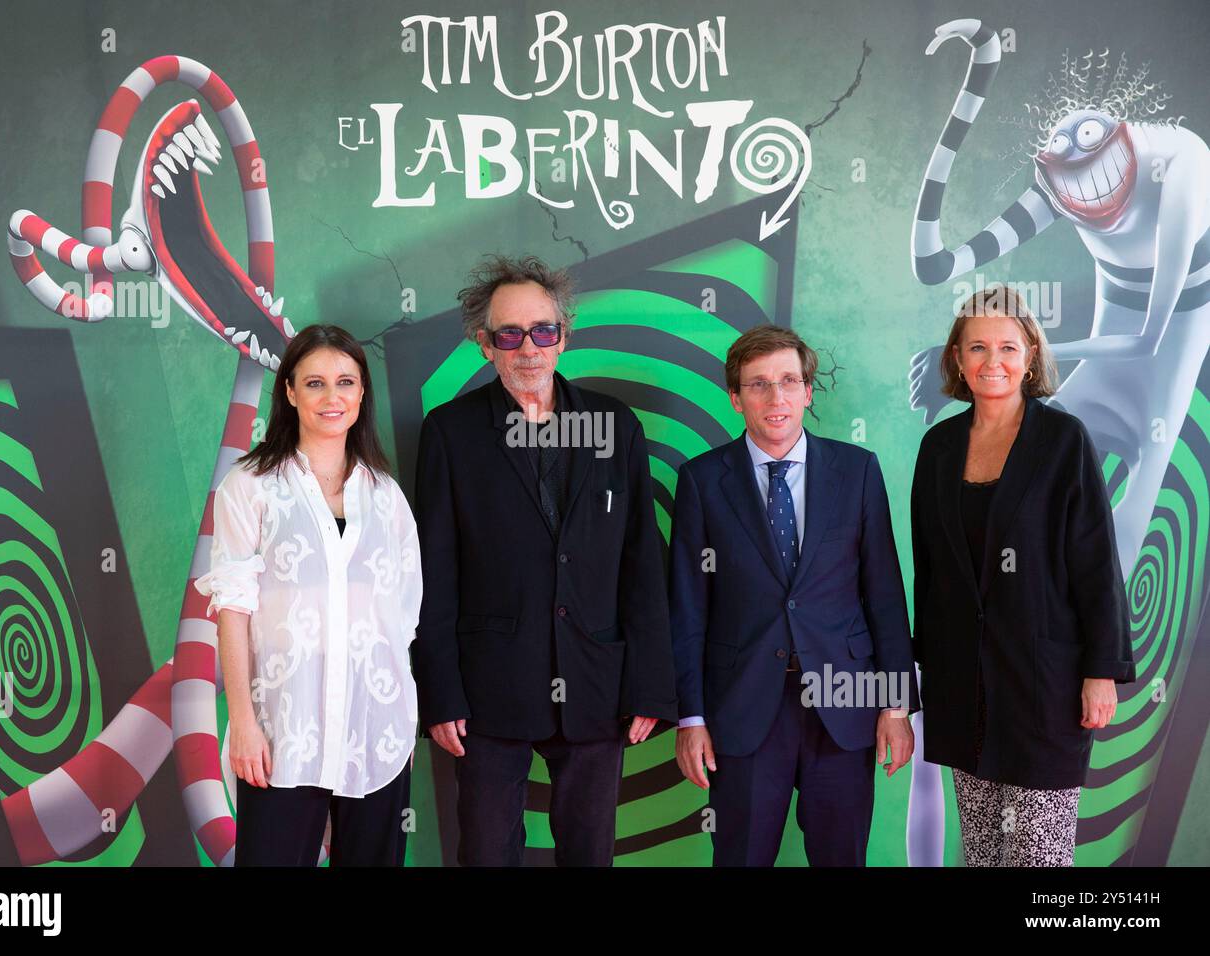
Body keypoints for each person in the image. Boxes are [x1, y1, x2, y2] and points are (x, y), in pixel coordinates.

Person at [412, 254, 677, 866]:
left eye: (542, 330)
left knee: (589, 854)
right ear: (485, 345)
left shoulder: (616, 424)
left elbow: (643, 564)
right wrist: (442, 693)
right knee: (485, 851)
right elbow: (434, 573)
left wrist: (651, 686)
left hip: (596, 685)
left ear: (564, 336)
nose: (527, 347)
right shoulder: (450, 433)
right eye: (509, 333)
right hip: (487, 692)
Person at [669, 324, 918, 867]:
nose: (775, 398)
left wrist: (897, 707)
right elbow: (687, 610)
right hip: (744, 709)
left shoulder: (857, 471)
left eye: (788, 381)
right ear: (735, 398)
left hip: (845, 705)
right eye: (758, 385)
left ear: (808, 390)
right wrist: (690, 720)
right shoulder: (701, 481)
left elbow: (885, 597)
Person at [911, 285, 1136, 866]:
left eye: (1008, 347)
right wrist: (922, 675)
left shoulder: (1063, 441)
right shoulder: (937, 447)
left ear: (1031, 354)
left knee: (1037, 861)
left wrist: (1100, 672)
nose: (994, 362)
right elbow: (930, 572)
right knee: (984, 856)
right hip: (965, 693)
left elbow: (1096, 566)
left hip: (1047, 690)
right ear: (957, 359)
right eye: (977, 347)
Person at [194, 324, 421, 866]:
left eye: (345, 382)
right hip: (282, 728)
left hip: (376, 730)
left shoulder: (386, 496)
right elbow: (232, 608)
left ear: (362, 392)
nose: (331, 397)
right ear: (290, 392)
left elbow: (404, 614)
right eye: (314, 383)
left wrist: (401, 717)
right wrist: (244, 724)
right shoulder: (248, 486)